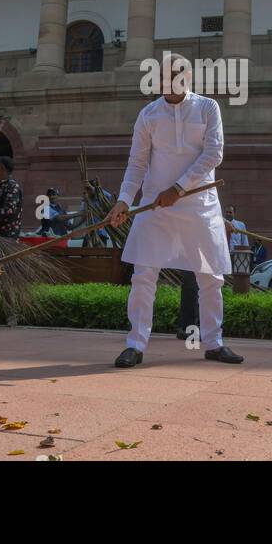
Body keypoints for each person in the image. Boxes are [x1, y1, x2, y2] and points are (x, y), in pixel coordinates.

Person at [107, 52, 242, 368]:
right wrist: (125, 200)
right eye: (166, 75)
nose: (172, 80)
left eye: (178, 74)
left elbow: (214, 153)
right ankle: (135, 344)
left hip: (200, 205)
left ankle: (213, 343)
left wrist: (179, 188)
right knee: (143, 275)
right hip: (156, 206)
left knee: (211, 277)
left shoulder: (208, 107)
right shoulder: (148, 114)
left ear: (189, 76)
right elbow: (137, 163)